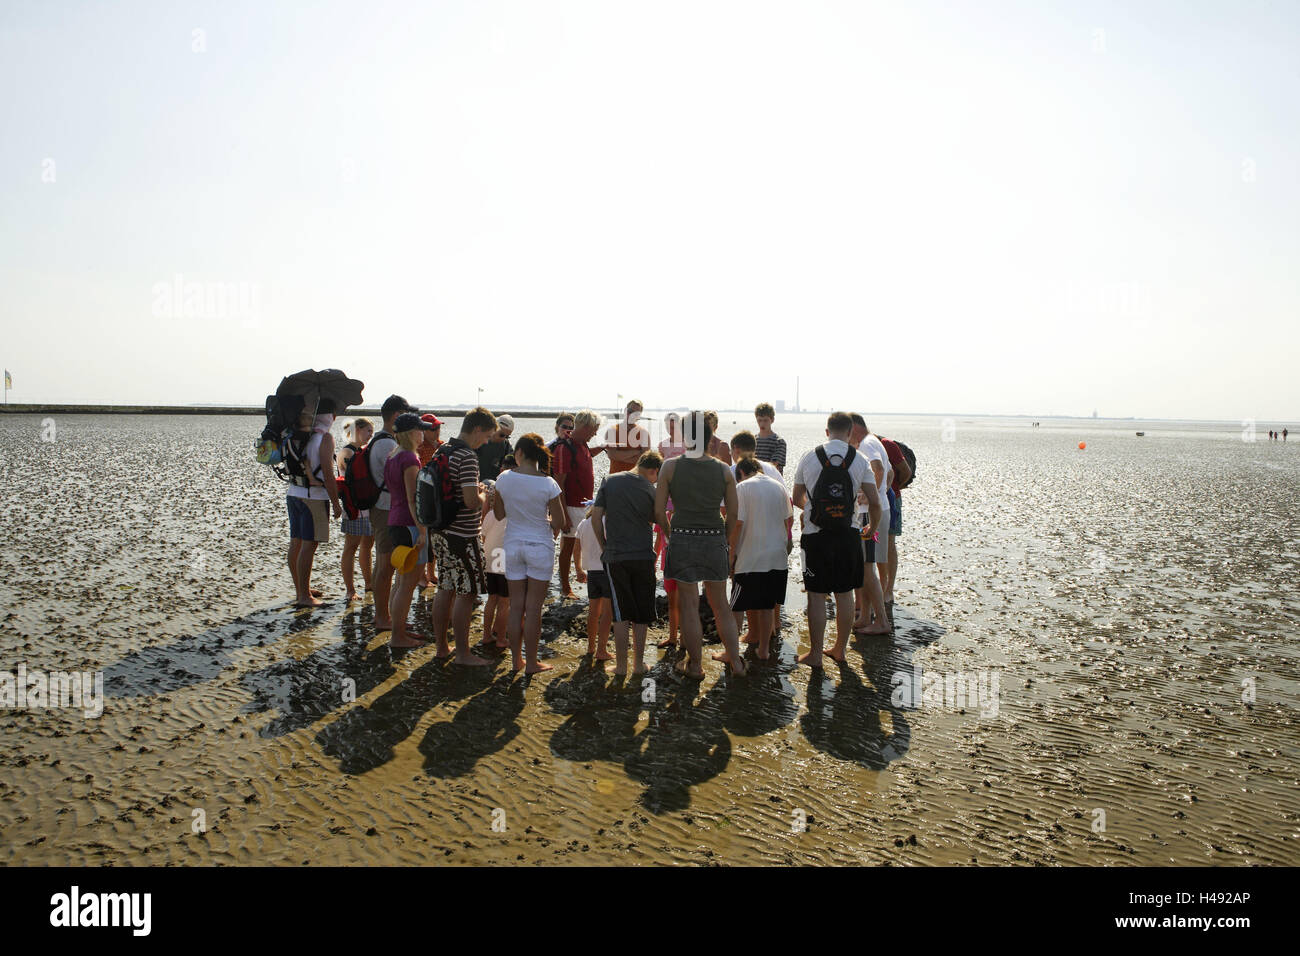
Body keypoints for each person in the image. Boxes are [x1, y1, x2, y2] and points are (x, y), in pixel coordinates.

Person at [655, 412, 746, 678]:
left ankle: (695, 666)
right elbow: (733, 514)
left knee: (689, 605)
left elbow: (659, 512)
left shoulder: (670, 467)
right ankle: (736, 663)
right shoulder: (722, 470)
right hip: (714, 538)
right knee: (721, 605)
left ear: (685, 437)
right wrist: (725, 541)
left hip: (682, 537)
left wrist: (672, 535)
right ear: (709, 438)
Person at [792, 412, 880, 667]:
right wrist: (871, 528)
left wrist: (814, 511)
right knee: (845, 593)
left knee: (816, 594)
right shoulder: (860, 458)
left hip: (814, 536)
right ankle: (839, 650)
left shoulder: (809, 456)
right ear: (851, 431)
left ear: (827, 430)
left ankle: (816, 654)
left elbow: (797, 497)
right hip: (848, 534)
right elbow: (874, 501)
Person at [493, 433, 566, 674]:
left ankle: (516, 662)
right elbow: (560, 521)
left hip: (512, 545)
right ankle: (532, 663)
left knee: (516, 607)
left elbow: (500, 514)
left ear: (520, 453)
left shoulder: (504, 478)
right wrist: (543, 519)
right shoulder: (548, 483)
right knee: (533, 609)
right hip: (539, 546)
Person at [429, 407, 496, 666]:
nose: (487, 441)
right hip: (463, 534)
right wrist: (484, 494)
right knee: (466, 593)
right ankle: (464, 654)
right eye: (487, 435)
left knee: (445, 587)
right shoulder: (467, 456)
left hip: (441, 530)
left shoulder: (442, 450)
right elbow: (470, 501)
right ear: (477, 429)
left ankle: (442, 647)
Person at [593, 451, 663, 676]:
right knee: (642, 613)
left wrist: (604, 546)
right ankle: (639, 664)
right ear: (653, 470)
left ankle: (621, 666)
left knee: (620, 614)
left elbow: (596, 518)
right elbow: (658, 519)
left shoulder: (610, 480)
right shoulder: (651, 490)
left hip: (616, 556)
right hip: (643, 555)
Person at [728, 455, 793, 661]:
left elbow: (737, 525)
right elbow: (788, 521)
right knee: (767, 604)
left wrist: (731, 555)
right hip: (776, 556)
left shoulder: (743, 488)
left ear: (741, 473)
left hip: (750, 556)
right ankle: (764, 650)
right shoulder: (779, 486)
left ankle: (731, 654)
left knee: (737, 605)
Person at [383, 413, 434, 648]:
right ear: (410, 433)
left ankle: (398, 626)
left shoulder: (392, 456)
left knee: (400, 579)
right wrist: (423, 531)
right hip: (409, 523)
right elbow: (414, 499)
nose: (422, 433)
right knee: (407, 582)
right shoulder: (410, 459)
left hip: (394, 520)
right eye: (419, 429)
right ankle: (398, 636)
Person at [286, 401, 343, 608]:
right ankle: (304, 596)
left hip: (293, 493)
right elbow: (328, 473)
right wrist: (336, 503)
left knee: (296, 542)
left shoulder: (296, 435)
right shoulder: (324, 437)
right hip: (315, 497)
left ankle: (301, 589)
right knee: (309, 545)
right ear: (331, 417)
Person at [368, 395, 417, 631]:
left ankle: (384, 614)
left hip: (384, 507)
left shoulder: (380, 440)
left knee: (384, 563)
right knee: (386, 565)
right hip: (387, 508)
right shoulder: (389, 444)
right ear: (397, 416)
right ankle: (382, 616)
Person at [849, 414, 892, 636]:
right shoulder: (874, 441)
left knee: (867, 568)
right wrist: (880, 494)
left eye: (848, 432)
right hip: (874, 510)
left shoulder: (867, 444)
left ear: (854, 429)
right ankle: (865, 615)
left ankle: (881, 621)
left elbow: (880, 470)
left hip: (869, 514)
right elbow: (890, 473)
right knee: (864, 567)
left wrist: (870, 495)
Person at [552, 410, 599, 598]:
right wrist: (562, 514)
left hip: (584, 505)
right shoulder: (564, 448)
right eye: (594, 429)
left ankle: (578, 573)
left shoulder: (583, 444)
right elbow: (558, 483)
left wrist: (603, 447)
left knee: (581, 544)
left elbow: (584, 460)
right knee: (568, 547)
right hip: (571, 505)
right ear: (586, 427)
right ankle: (565, 588)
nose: (595, 433)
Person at [656, 413, 687, 647]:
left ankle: (684, 636)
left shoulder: (688, 445)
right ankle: (674, 635)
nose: (671, 427)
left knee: (685, 596)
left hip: (683, 501)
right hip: (668, 500)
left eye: (675, 423)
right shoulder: (662, 445)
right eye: (669, 424)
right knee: (671, 597)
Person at [337, 417, 375, 603]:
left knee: (368, 545)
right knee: (351, 546)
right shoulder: (347, 451)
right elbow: (351, 471)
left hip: (367, 506)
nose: (370, 436)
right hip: (353, 506)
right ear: (357, 430)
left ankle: (369, 583)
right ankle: (350, 589)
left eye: (371, 433)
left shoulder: (361, 451)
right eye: (368, 431)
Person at [878, 433, 912, 608]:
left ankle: (888, 590)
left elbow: (906, 471)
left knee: (889, 543)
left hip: (892, 499)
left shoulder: (887, 445)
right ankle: (876, 587)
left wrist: (896, 487)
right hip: (869, 499)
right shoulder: (857, 447)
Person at [576, 508, 612, 661]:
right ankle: (601, 649)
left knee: (593, 611)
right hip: (606, 570)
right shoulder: (608, 522)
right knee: (607, 613)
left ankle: (591, 647)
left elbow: (576, 548)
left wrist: (578, 569)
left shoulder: (583, 523)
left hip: (591, 571)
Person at [480, 480, 510, 651]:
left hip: (490, 560)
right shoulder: (513, 515)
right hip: (504, 561)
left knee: (492, 598)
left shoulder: (491, 515)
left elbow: (483, 537)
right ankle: (500, 637)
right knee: (505, 601)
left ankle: (486, 635)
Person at [416, 413, 445, 590]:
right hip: (425, 499)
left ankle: (431, 572)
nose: (437, 431)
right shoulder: (419, 448)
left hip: (440, 499)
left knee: (435, 539)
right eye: (433, 428)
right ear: (424, 430)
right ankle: (421, 576)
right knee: (424, 539)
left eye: (438, 427)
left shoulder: (443, 446)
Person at [602, 399, 651, 474]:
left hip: (636, 479)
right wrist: (636, 452)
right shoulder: (612, 430)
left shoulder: (644, 433)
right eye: (630, 411)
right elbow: (612, 455)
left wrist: (620, 456)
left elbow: (645, 460)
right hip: (615, 478)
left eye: (636, 413)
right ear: (625, 410)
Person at [476, 414, 514, 482]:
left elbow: (514, 462)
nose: (503, 439)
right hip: (477, 485)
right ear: (494, 428)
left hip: (495, 486)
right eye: (501, 435)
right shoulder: (478, 441)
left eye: (507, 436)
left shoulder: (506, 445)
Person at [754, 402, 788, 474]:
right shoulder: (752, 441)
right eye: (759, 420)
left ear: (772, 420)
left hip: (772, 483)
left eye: (765, 420)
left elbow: (773, 467)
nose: (762, 424)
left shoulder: (779, 442)